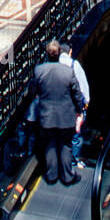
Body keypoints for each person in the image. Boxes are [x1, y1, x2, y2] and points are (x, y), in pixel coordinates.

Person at [33, 39, 85, 186]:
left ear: (47, 54)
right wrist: (79, 111)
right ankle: (68, 176)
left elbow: (33, 91)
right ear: (59, 54)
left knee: (50, 145)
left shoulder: (39, 70)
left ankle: (51, 175)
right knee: (65, 146)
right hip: (65, 116)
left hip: (46, 116)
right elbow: (77, 94)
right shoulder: (68, 71)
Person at [59, 37, 91, 172]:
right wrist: (86, 103)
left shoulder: (52, 65)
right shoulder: (74, 65)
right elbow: (83, 86)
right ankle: (73, 161)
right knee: (76, 135)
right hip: (74, 107)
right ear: (70, 52)